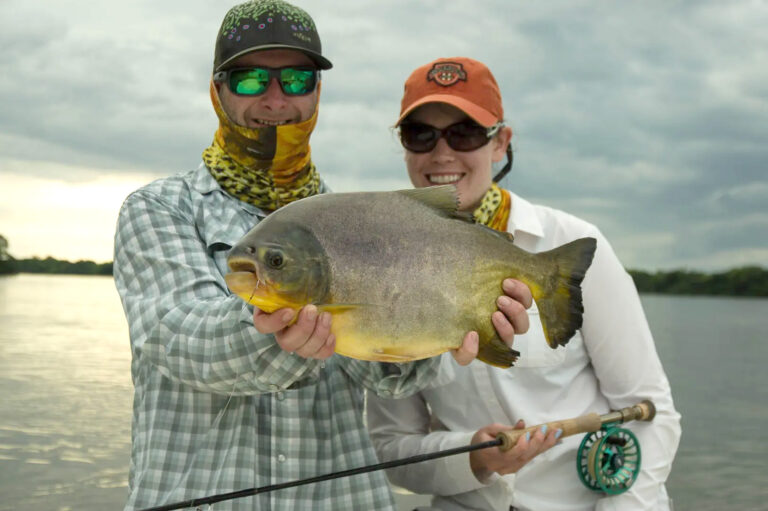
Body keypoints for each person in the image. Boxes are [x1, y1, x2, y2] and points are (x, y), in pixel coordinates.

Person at [113, 4, 532, 510]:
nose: (275, 98)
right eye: (249, 80)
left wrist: (442, 333)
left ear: (316, 91)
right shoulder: (158, 209)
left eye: (296, 78)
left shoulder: (354, 219)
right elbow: (181, 341)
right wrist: (279, 318)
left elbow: (383, 376)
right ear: (217, 89)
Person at [367, 57, 682, 511]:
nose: (442, 153)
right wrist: (473, 459)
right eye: (421, 135)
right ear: (404, 147)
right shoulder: (383, 268)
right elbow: (391, 447)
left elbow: (651, 409)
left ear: (501, 143)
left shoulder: (571, 244)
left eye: (466, 133)